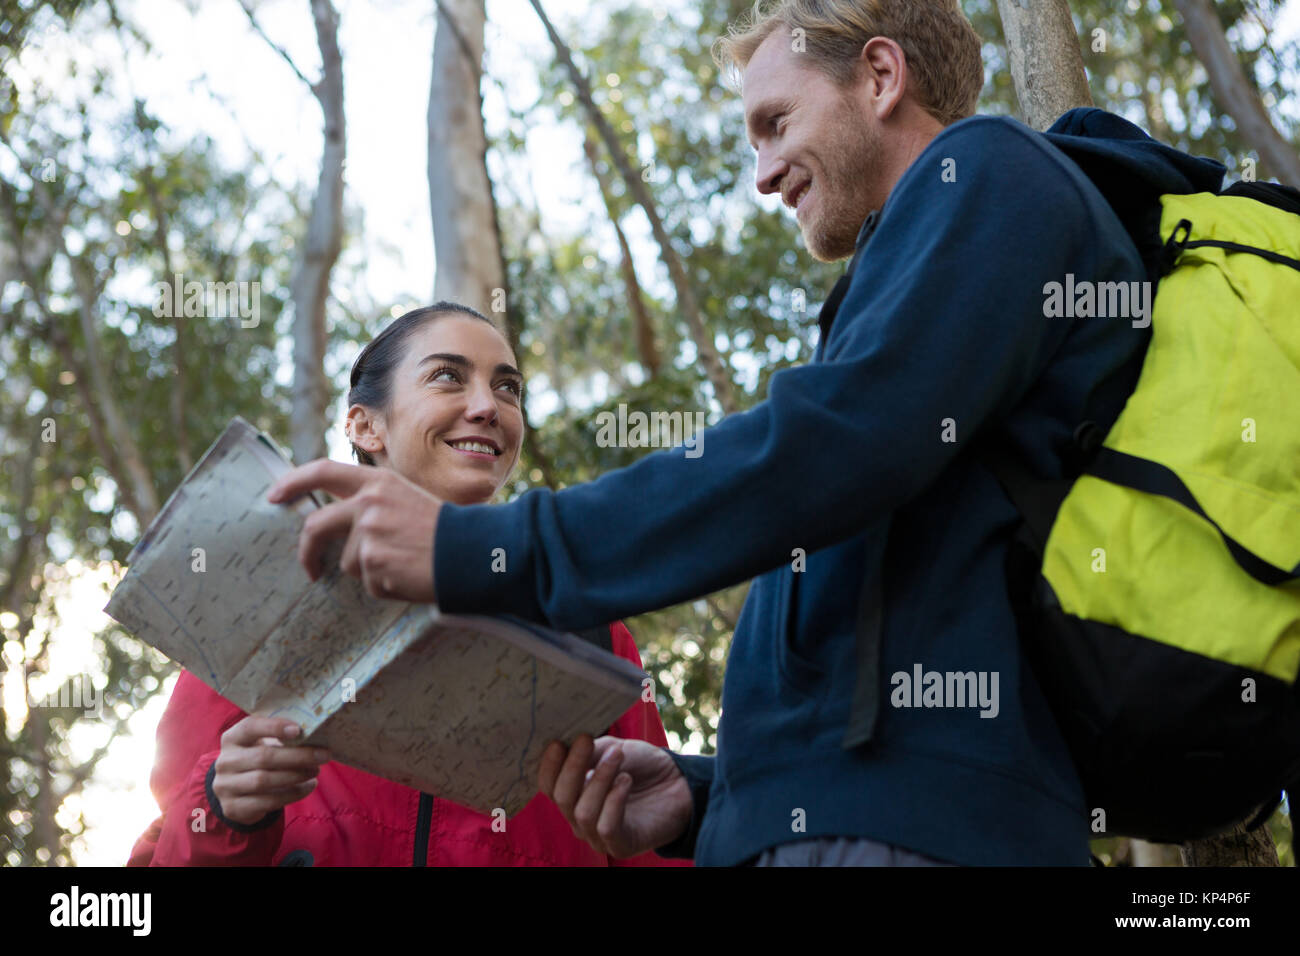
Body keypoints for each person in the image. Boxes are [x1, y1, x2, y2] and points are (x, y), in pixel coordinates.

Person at [267, 0, 1225, 866]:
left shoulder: (984, 171)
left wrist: (493, 548)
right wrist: (704, 798)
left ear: (881, 78)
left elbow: (835, 442)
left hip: (912, 839)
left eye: (776, 123)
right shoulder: (908, 275)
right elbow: (889, 633)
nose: (763, 173)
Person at [128, 302, 691, 866]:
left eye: (507, 388)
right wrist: (223, 810)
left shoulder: (588, 628)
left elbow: (650, 851)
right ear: (365, 425)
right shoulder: (260, 601)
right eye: (448, 376)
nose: (486, 407)